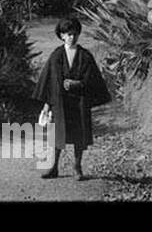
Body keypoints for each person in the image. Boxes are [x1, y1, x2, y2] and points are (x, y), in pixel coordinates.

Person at [32, 17, 111, 180]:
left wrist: (78, 84)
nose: (72, 37)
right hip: (60, 103)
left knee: (79, 135)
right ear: (61, 35)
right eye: (68, 34)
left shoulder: (85, 55)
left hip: (80, 101)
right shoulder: (56, 55)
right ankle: (53, 168)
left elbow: (92, 79)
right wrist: (47, 104)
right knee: (57, 135)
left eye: (75, 34)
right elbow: (49, 81)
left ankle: (77, 167)